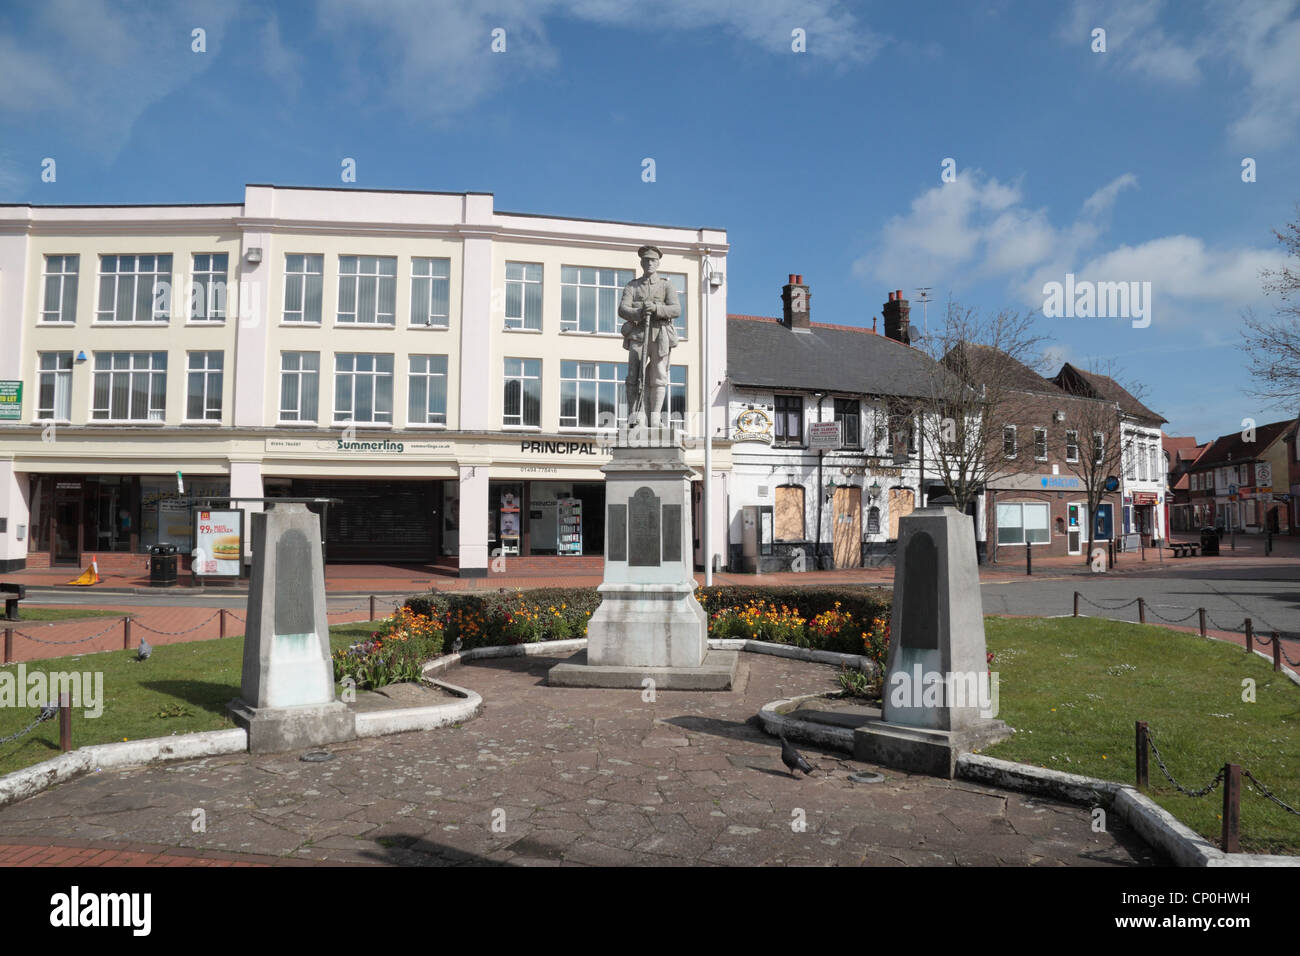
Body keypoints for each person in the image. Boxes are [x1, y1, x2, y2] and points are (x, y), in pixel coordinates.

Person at [619, 244, 680, 427]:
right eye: (646, 260)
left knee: (658, 376)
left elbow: (676, 309)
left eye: (653, 260)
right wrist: (639, 312)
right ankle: (636, 415)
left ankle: (655, 416)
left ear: (658, 263)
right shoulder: (633, 286)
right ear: (641, 262)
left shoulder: (666, 285)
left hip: (660, 334)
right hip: (638, 334)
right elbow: (622, 309)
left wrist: (656, 309)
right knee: (634, 375)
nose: (649, 263)